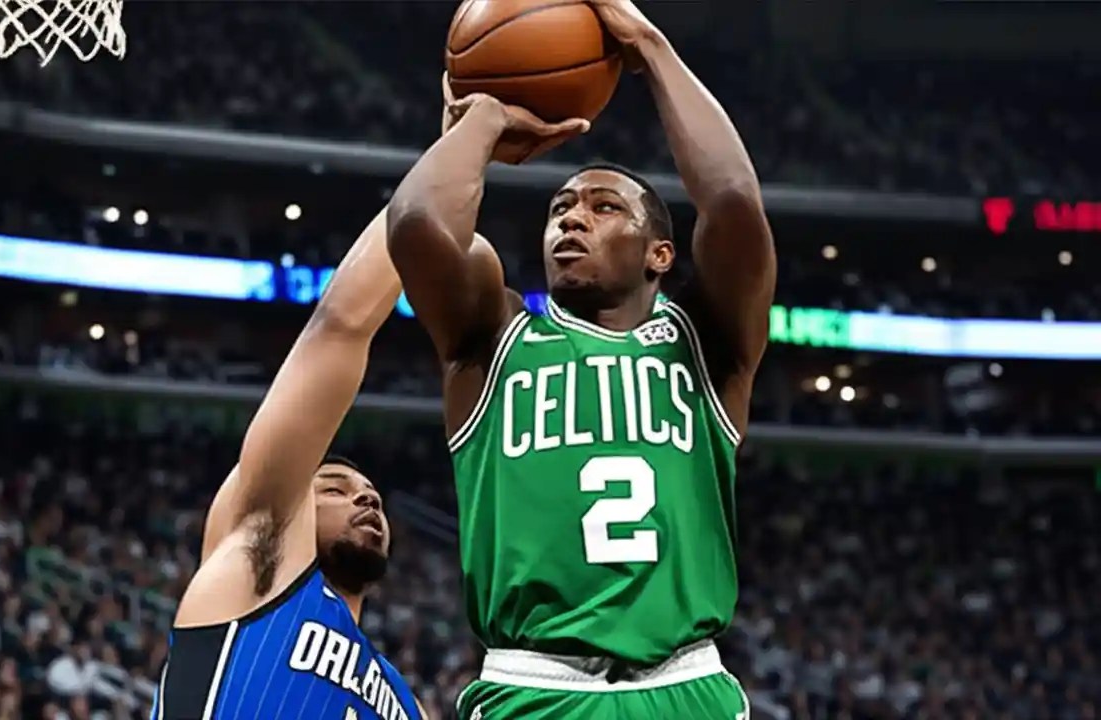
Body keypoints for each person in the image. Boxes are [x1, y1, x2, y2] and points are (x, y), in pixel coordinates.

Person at [386, 1, 776, 718]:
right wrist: (481, 120)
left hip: (686, 687)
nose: (571, 217)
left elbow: (734, 205)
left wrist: (649, 44)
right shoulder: (492, 338)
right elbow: (415, 227)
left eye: (603, 208)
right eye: (561, 206)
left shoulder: (705, 348)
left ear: (661, 254)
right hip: (534, 687)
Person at [152, 207, 426, 720]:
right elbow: (342, 325)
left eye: (371, 494)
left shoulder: (406, 701)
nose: (365, 497)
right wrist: (444, 175)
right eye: (334, 489)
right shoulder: (254, 566)